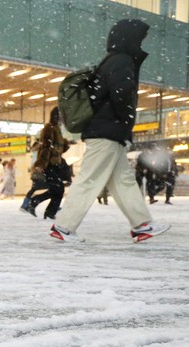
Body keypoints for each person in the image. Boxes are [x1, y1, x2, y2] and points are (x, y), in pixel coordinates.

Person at [49, 19, 169, 243]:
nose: (142, 43)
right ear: (130, 39)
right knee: (89, 179)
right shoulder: (121, 61)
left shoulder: (113, 60)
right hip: (107, 132)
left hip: (108, 131)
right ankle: (64, 227)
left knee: (123, 180)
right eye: (140, 38)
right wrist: (126, 122)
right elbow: (121, 96)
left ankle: (142, 225)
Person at [26, 108, 70, 219]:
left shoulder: (57, 129)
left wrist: (65, 144)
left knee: (57, 189)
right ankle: (45, 209)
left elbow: (58, 149)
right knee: (58, 189)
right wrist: (40, 164)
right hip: (49, 164)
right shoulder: (49, 128)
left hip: (55, 164)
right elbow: (46, 147)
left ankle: (42, 207)